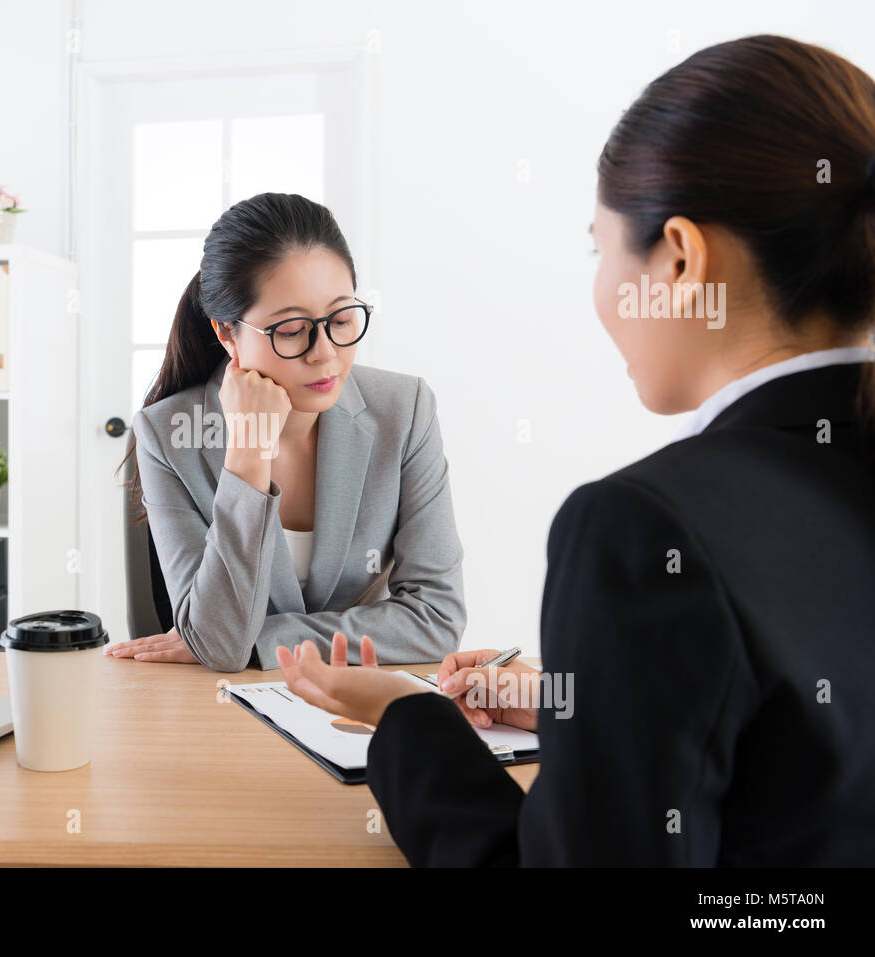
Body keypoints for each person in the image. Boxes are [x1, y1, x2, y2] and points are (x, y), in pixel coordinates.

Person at [277, 35, 875, 865]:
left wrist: (409, 720)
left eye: (600, 248)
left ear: (678, 257)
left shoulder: (643, 527)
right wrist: (581, 705)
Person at [107, 192, 465, 672]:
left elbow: (437, 621)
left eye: (341, 320)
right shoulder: (167, 435)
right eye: (293, 330)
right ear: (226, 333)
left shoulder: (404, 410)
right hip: (217, 712)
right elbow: (218, 645)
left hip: (355, 706)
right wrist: (248, 455)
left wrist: (264, 641)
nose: (326, 353)